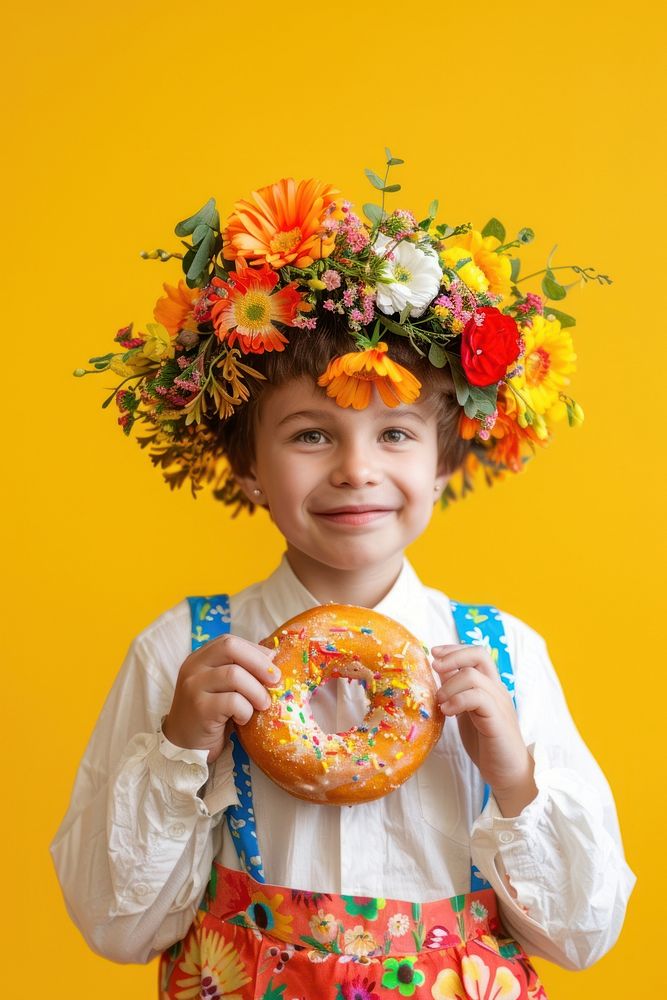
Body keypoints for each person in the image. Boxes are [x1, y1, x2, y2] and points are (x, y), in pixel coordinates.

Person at [52, 170, 635, 998]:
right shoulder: (186, 655)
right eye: (311, 434)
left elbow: (582, 936)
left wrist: (513, 777)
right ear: (248, 464)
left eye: (394, 432)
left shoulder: (501, 657)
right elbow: (118, 927)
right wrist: (181, 745)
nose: (356, 471)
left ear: (443, 464)